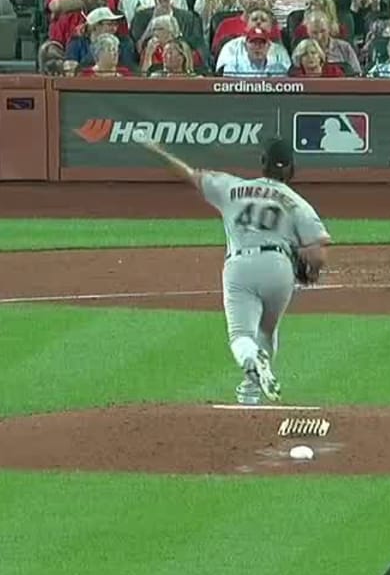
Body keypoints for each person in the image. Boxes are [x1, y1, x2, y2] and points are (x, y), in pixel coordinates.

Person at [139, 135, 329, 405]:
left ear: (262, 163)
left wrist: (157, 152)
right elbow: (318, 251)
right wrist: (308, 267)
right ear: (291, 168)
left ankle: (252, 358)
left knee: (241, 336)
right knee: (267, 331)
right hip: (279, 269)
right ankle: (251, 393)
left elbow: (189, 175)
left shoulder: (231, 187)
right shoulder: (297, 202)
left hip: (240, 267)